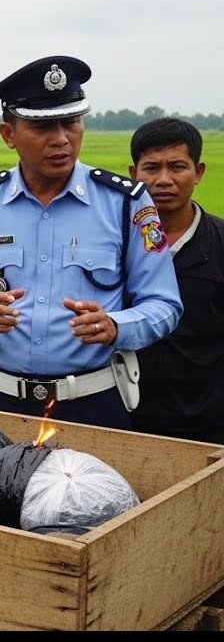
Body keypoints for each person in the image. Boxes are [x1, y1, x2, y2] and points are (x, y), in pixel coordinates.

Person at [0, 55, 183, 430]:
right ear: (9, 135)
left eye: (72, 122)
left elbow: (164, 303)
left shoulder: (126, 203)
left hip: (94, 402)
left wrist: (116, 326)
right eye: (43, 126)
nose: (61, 138)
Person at [127, 117, 224, 443]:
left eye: (177, 167)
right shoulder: (111, 246)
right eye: (151, 168)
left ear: (198, 172)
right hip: (124, 420)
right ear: (133, 175)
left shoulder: (221, 243)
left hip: (209, 427)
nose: (164, 180)